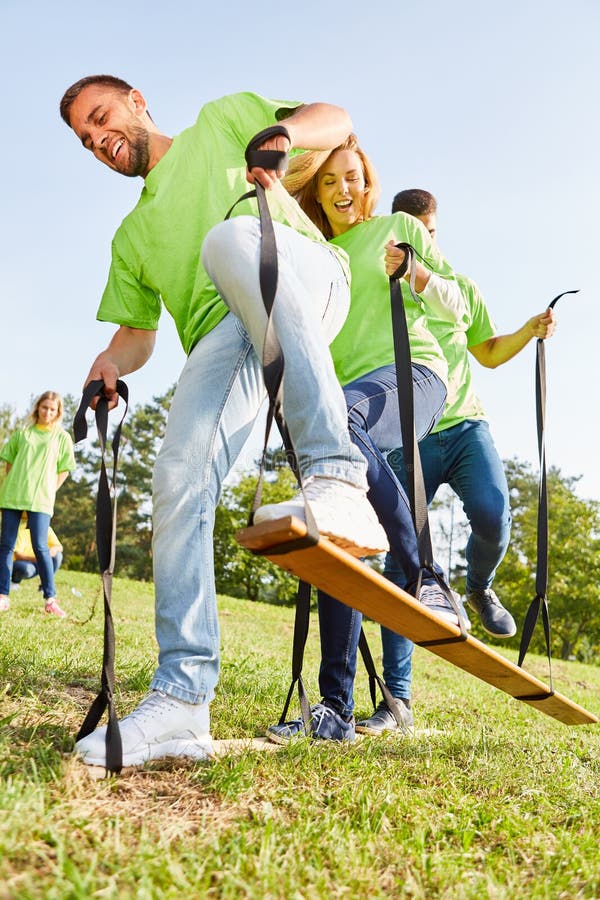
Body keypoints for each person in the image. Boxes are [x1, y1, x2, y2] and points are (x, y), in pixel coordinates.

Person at [60, 75, 388, 769]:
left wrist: (284, 138)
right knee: (177, 476)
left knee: (226, 240)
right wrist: (109, 362)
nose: (98, 139)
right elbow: (138, 335)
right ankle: (182, 698)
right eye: (86, 139)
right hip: (227, 339)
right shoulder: (132, 235)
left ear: (137, 100)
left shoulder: (221, 119)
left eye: (101, 117)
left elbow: (335, 117)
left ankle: (338, 475)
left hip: (300, 273)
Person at [265, 137, 471, 744]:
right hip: (344, 403)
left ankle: (424, 573)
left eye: (351, 177)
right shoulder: (314, 255)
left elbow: (458, 307)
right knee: (342, 541)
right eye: (329, 182)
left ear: (368, 181)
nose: (343, 190)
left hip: (413, 377)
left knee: (341, 417)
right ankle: (334, 709)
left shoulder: (396, 228)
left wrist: (415, 271)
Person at [356, 188, 556, 736]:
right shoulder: (379, 280)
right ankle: (397, 700)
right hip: (410, 435)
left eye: (431, 232)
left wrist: (529, 331)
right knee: (402, 561)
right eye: (414, 232)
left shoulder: (459, 287)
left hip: (465, 426)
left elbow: (486, 352)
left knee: (493, 514)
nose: (425, 241)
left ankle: (478, 586)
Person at [0, 391, 75, 617]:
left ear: (58, 412)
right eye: (44, 407)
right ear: (37, 408)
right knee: (6, 546)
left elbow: (64, 470)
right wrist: (16, 486)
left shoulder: (62, 437)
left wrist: (49, 490)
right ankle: (3, 596)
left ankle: (50, 599)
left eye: (52, 409)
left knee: (41, 547)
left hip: (41, 500)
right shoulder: (23, 433)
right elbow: (9, 463)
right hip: (13, 495)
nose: (47, 412)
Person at [12, 515, 63, 587]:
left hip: (40, 563)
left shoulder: (47, 530)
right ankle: (14, 582)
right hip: (24, 563)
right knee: (25, 568)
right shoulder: (22, 532)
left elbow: (60, 547)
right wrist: (38, 559)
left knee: (58, 556)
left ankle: (45, 586)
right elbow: (18, 555)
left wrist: (53, 550)